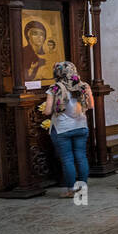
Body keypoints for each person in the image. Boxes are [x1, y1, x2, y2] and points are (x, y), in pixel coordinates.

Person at [39, 61, 94, 197]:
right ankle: (82, 189)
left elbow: (47, 111)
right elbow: (91, 105)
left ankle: (70, 191)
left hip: (62, 128)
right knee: (81, 157)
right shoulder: (83, 86)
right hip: (81, 126)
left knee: (67, 159)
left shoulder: (54, 89)